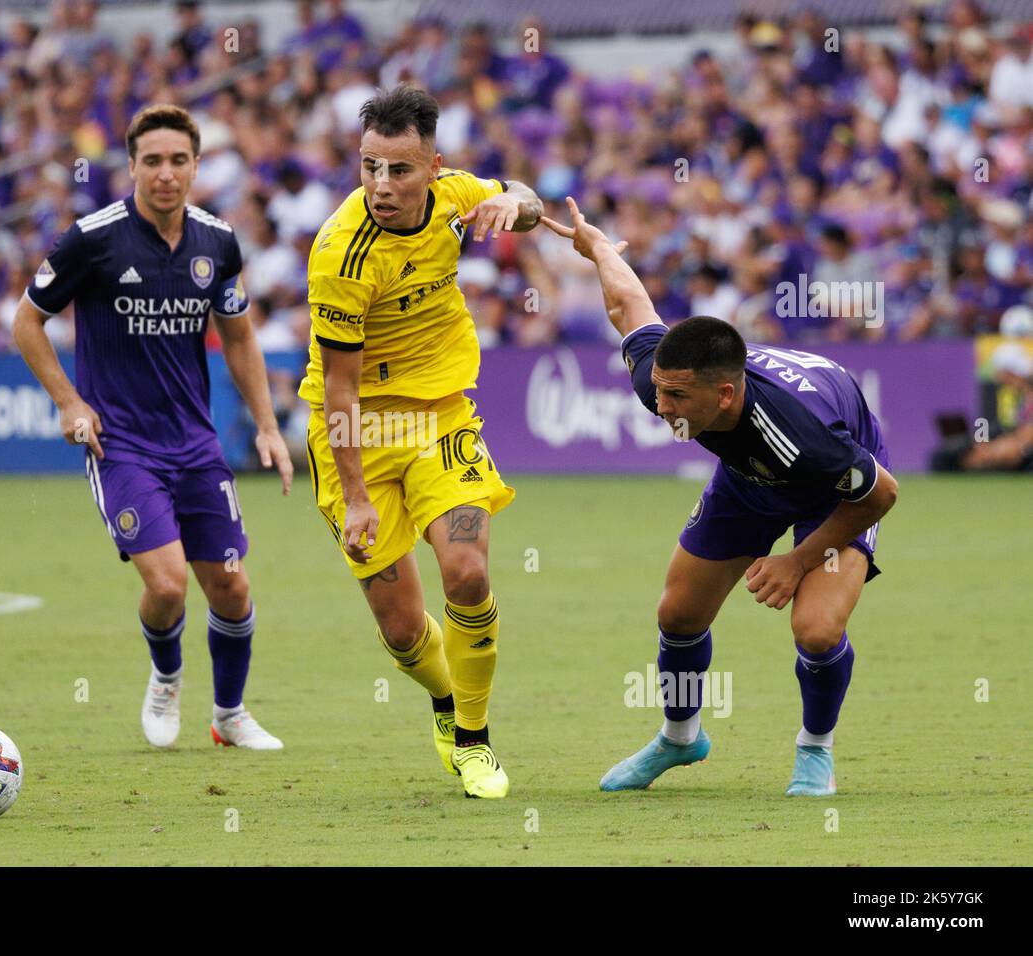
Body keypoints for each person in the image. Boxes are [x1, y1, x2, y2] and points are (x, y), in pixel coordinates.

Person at [541, 197, 899, 797]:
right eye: (659, 392)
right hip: (750, 477)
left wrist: (797, 559)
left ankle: (815, 751)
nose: (661, 409)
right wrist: (600, 247)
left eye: (677, 397)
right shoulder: (665, 376)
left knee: (814, 629)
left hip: (830, 494)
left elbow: (880, 496)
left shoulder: (800, 435)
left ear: (726, 396)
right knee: (677, 615)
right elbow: (628, 306)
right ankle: (680, 738)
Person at [13, 104, 294, 751]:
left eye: (178, 161)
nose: (165, 174)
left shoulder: (217, 242)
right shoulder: (94, 238)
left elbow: (241, 337)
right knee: (167, 585)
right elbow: (26, 322)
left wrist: (267, 426)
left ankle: (229, 715)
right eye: (152, 161)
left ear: (197, 166)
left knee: (230, 583)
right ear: (133, 166)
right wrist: (68, 402)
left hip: (195, 443)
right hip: (122, 444)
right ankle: (166, 676)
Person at [299, 85, 543, 798]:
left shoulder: (457, 194)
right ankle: (443, 701)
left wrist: (512, 205)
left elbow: (526, 200)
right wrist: (355, 500)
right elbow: (340, 391)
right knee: (403, 628)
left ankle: (474, 738)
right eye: (369, 166)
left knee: (466, 571)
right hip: (358, 433)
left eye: (399, 170)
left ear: (433, 167)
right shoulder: (340, 255)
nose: (380, 185)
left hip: (439, 417)